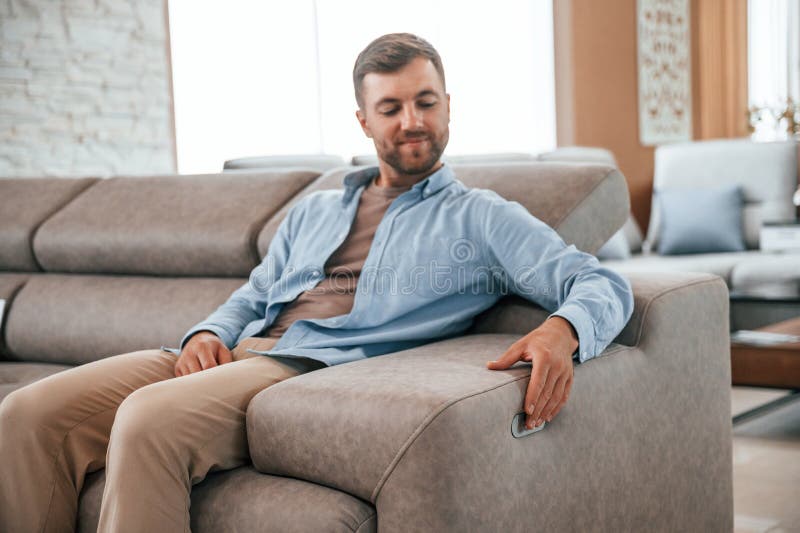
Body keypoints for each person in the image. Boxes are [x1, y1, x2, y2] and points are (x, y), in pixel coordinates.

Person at [0, 33, 633, 533]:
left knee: (145, 420)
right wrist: (207, 332)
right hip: (234, 352)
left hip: (304, 368)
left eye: (425, 102)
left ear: (448, 107)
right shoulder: (316, 209)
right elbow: (253, 293)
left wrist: (562, 329)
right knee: (25, 413)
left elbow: (598, 281)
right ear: (364, 121)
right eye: (391, 107)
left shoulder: (483, 217)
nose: (411, 120)